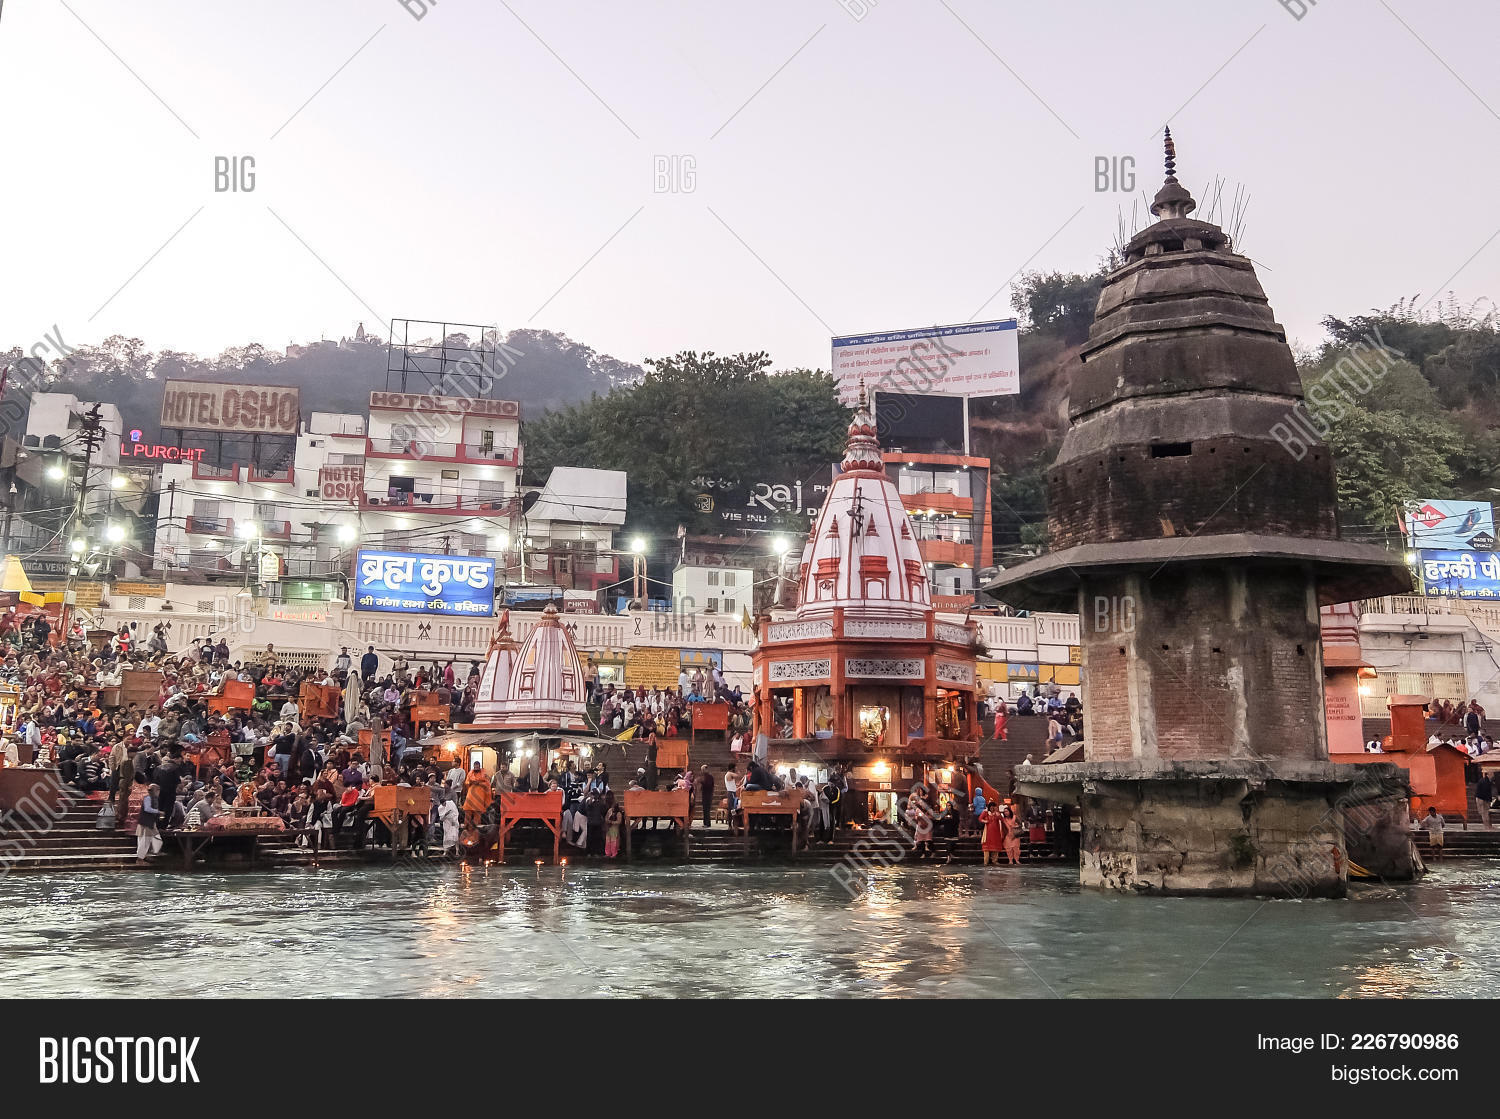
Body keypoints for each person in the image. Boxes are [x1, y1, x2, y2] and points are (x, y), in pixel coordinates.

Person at [136, 783, 162, 864]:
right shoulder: (148, 798)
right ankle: (140, 858)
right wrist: (158, 812)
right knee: (144, 841)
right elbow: (147, 809)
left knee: (146, 841)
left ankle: (143, 856)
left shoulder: (154, 799)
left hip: (149, 822)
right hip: (146, 822)